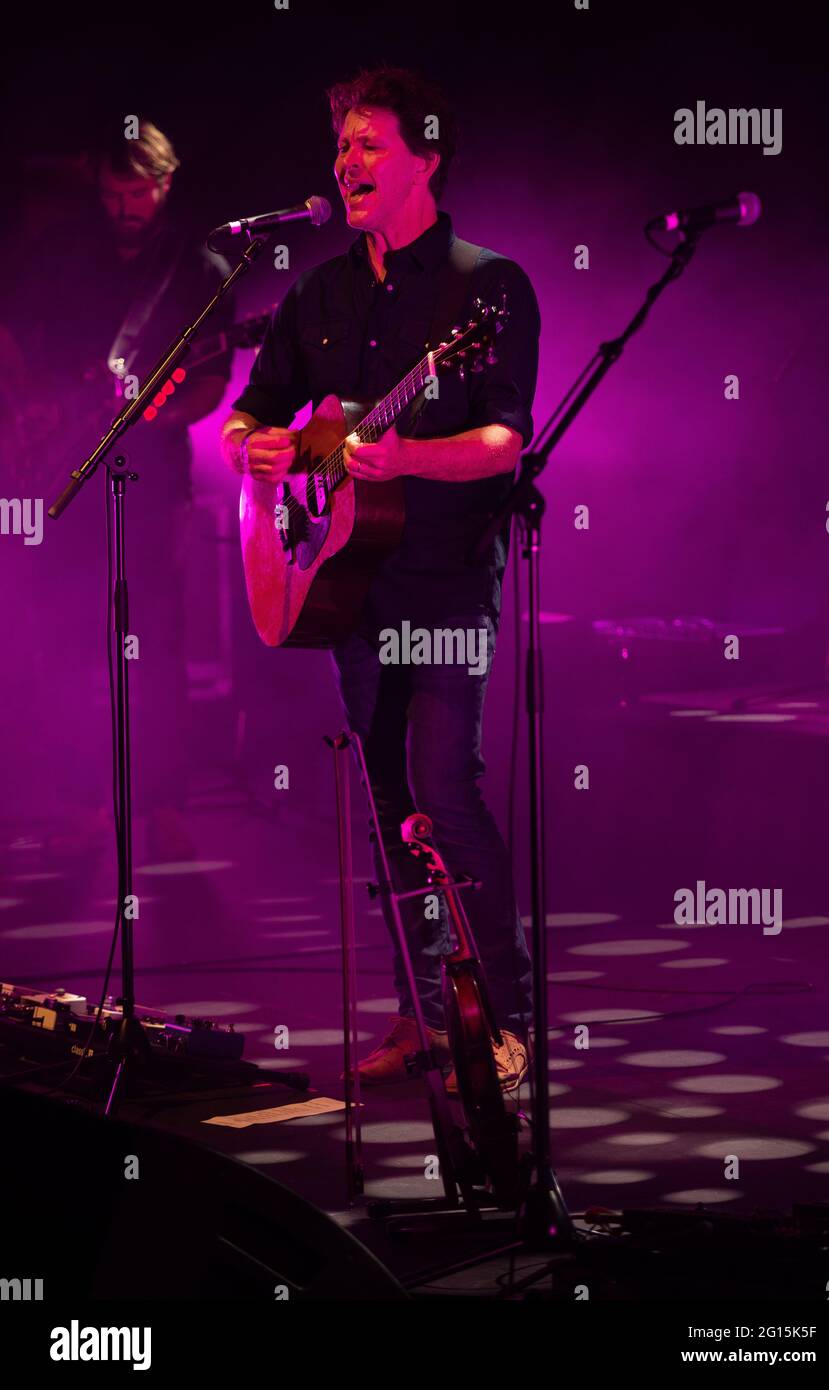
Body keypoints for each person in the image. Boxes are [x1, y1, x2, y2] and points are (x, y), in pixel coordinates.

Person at [221, 67, 539, 1091]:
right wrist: (256, 449)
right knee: (387, 799)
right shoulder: (318, 292)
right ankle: (420, 1014)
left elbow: (504, 440)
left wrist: (408, 459)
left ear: (425, 159)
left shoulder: (487, 288)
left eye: (369, 144)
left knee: (444, 790)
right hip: (347, 584)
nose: (345, 162)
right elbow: (249, 414)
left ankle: (501, 1023)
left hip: (444, 580)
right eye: (341, 145)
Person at [23, 120, 235, 857]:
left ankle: (164, 804)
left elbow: (211, 382)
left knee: (157, 639)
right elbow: (19, 337)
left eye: (137, 193)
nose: (123, 208)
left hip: (151, 475)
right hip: (60, 467)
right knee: (68, 635)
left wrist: (156, 414)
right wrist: (33, 411)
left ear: (166, 184)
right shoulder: (65, 254)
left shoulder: (199, 269)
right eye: (113, 194)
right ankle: (81, 804)